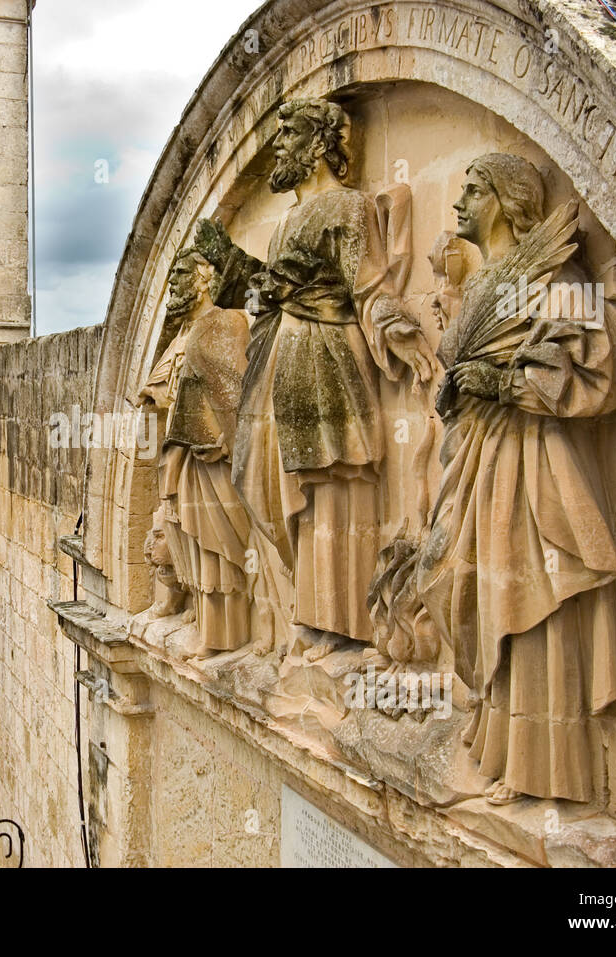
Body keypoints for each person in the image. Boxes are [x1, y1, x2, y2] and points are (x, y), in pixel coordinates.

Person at [418, 152, 616, 803]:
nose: (460, 199)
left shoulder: (551, 275)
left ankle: (541, 769)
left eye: (473, 186)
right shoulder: (486, 280)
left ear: (506, 199)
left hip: (529, 462)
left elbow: (583, 368)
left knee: (530, 603)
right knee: (486, 594)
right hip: (477, 462)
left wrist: (490, 380)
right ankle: (499, 750)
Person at [196, 98, 432, 655]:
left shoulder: (345, 208)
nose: (278, 145)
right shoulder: (285, 223)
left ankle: (345, 624)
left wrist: (399, 331)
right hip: (286, 363)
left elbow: (368, 286)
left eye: (289, 135)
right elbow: (270, 293)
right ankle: (313, 614)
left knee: (335, 488)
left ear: (317, 146)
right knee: (289, 486)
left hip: (328, 359)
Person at [139, 248, 252, 658]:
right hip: (184, 450)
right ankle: (207, 625)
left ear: (206, 277)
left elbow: (236, 388)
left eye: (182, 274)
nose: (174, 285)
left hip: (212, 455)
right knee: (192, 537)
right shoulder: (185, 334)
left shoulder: (225, 322)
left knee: (216, 542)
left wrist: (228, 440)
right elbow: (164, 391)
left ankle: (225, 635)